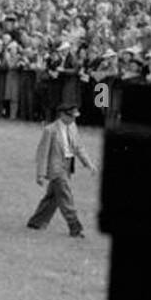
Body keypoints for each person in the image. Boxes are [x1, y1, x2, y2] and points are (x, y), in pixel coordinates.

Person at [28, 102, 96, 238]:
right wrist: (40, 174)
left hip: (67, 166)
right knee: (65, 196)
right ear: (62, 115)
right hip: (56, 167)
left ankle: (36, 222)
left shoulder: (73, 127)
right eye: (71, 116)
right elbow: (43, 153)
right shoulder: (50, 130)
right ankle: (74, 226)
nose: (73, 119)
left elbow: (78, 147)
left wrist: (89, 163)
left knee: (53, 197)